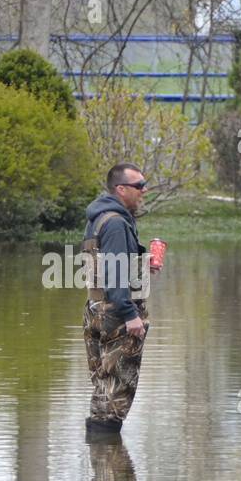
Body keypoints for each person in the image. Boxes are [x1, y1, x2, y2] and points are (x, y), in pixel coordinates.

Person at [81, 163, 160, 432]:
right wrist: (131, 316)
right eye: (139, 186)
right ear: (121, 189)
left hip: (96, 309)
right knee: (115, 398)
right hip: (117, 314)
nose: (144, 190)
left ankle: (103, 463)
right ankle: (109, 469)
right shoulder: (116, 224)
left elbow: (106, 266)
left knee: (103, 389)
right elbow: (115, 275)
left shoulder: (98, 218)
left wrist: (140, 264)